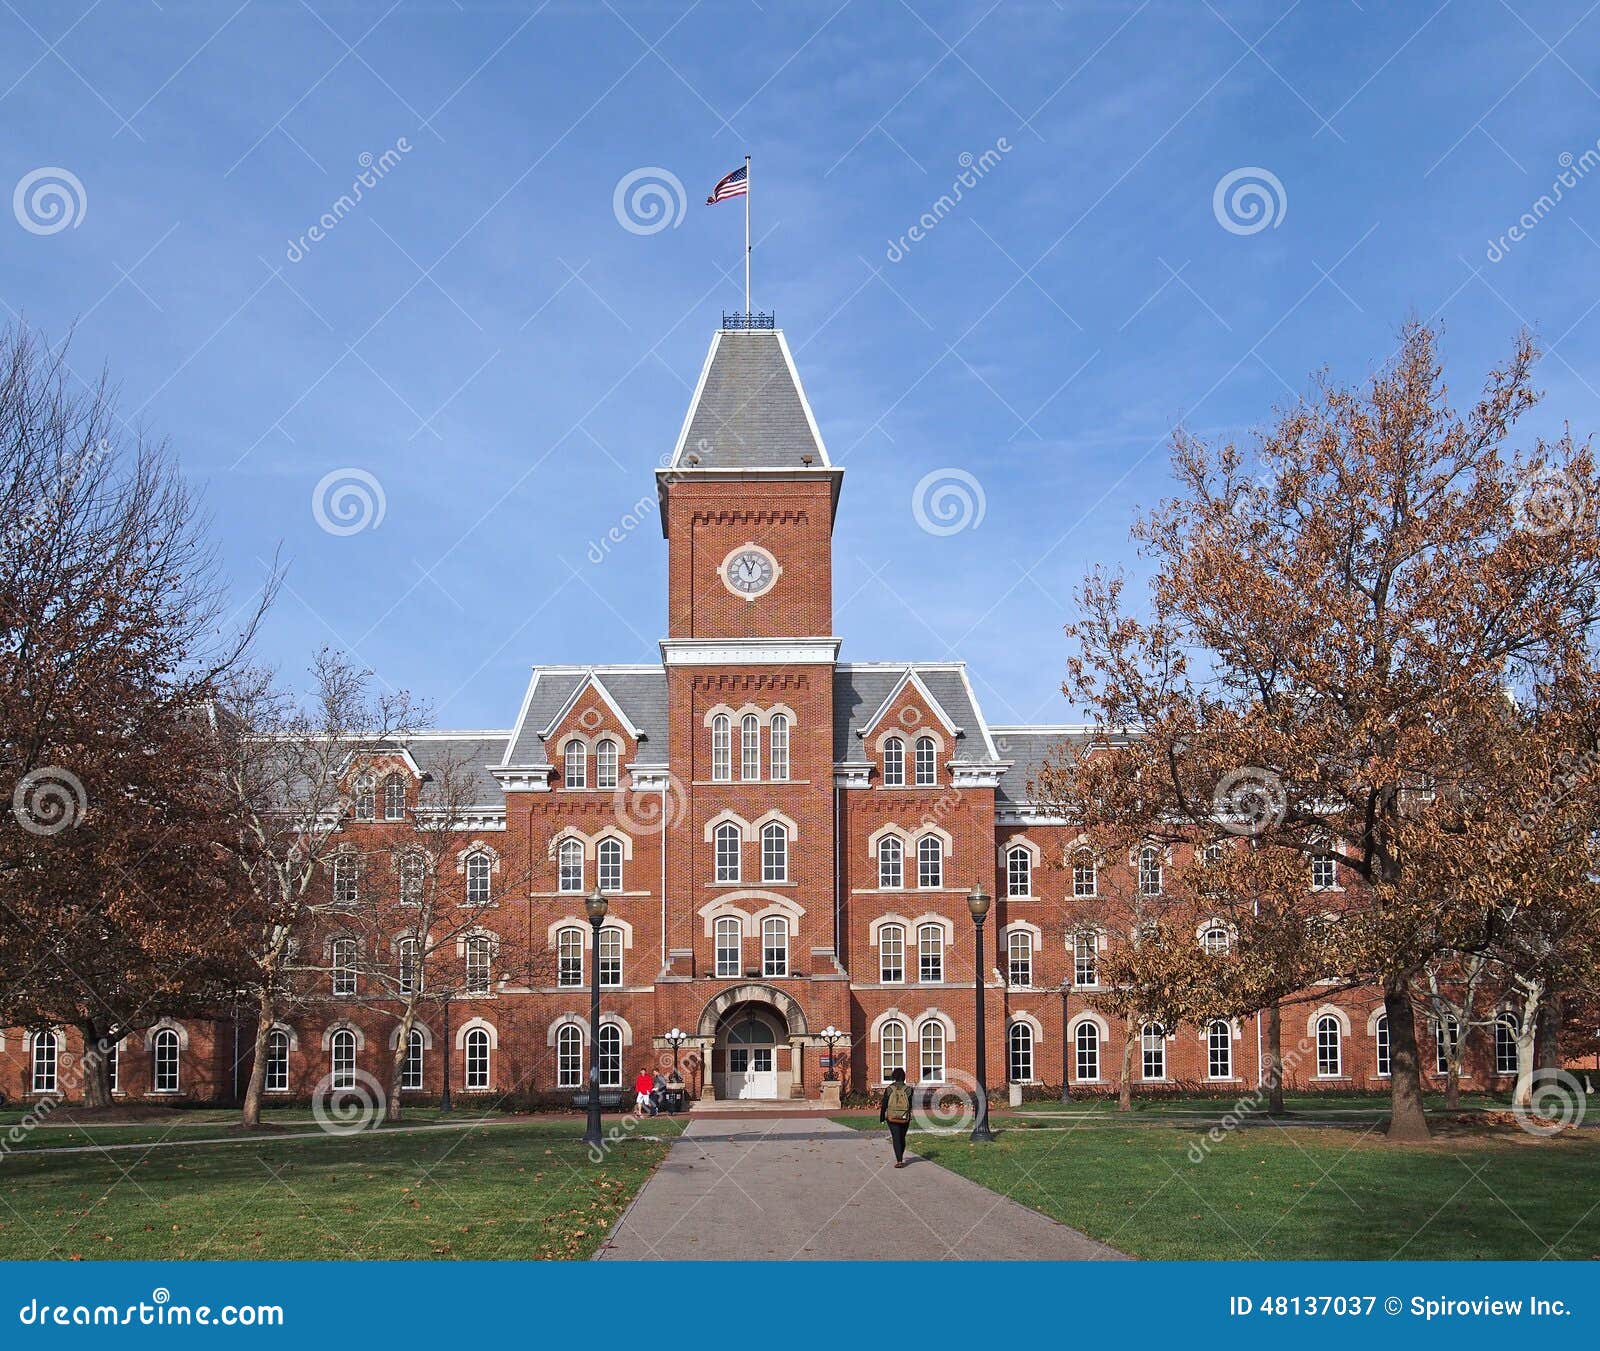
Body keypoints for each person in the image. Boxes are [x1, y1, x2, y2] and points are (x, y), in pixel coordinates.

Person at [879, 1067, 913, 1168]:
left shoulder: (889, 1089)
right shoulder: (909, 1090)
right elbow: (910, 1105)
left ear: (894, 1077)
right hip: (904, 1117)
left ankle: (899, 1160)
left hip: (891, 1117)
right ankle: (900, 1156)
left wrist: (882, 1117)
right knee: (902, 1137)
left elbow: (884, 1104)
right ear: (903, 1077)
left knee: (896, 1137)